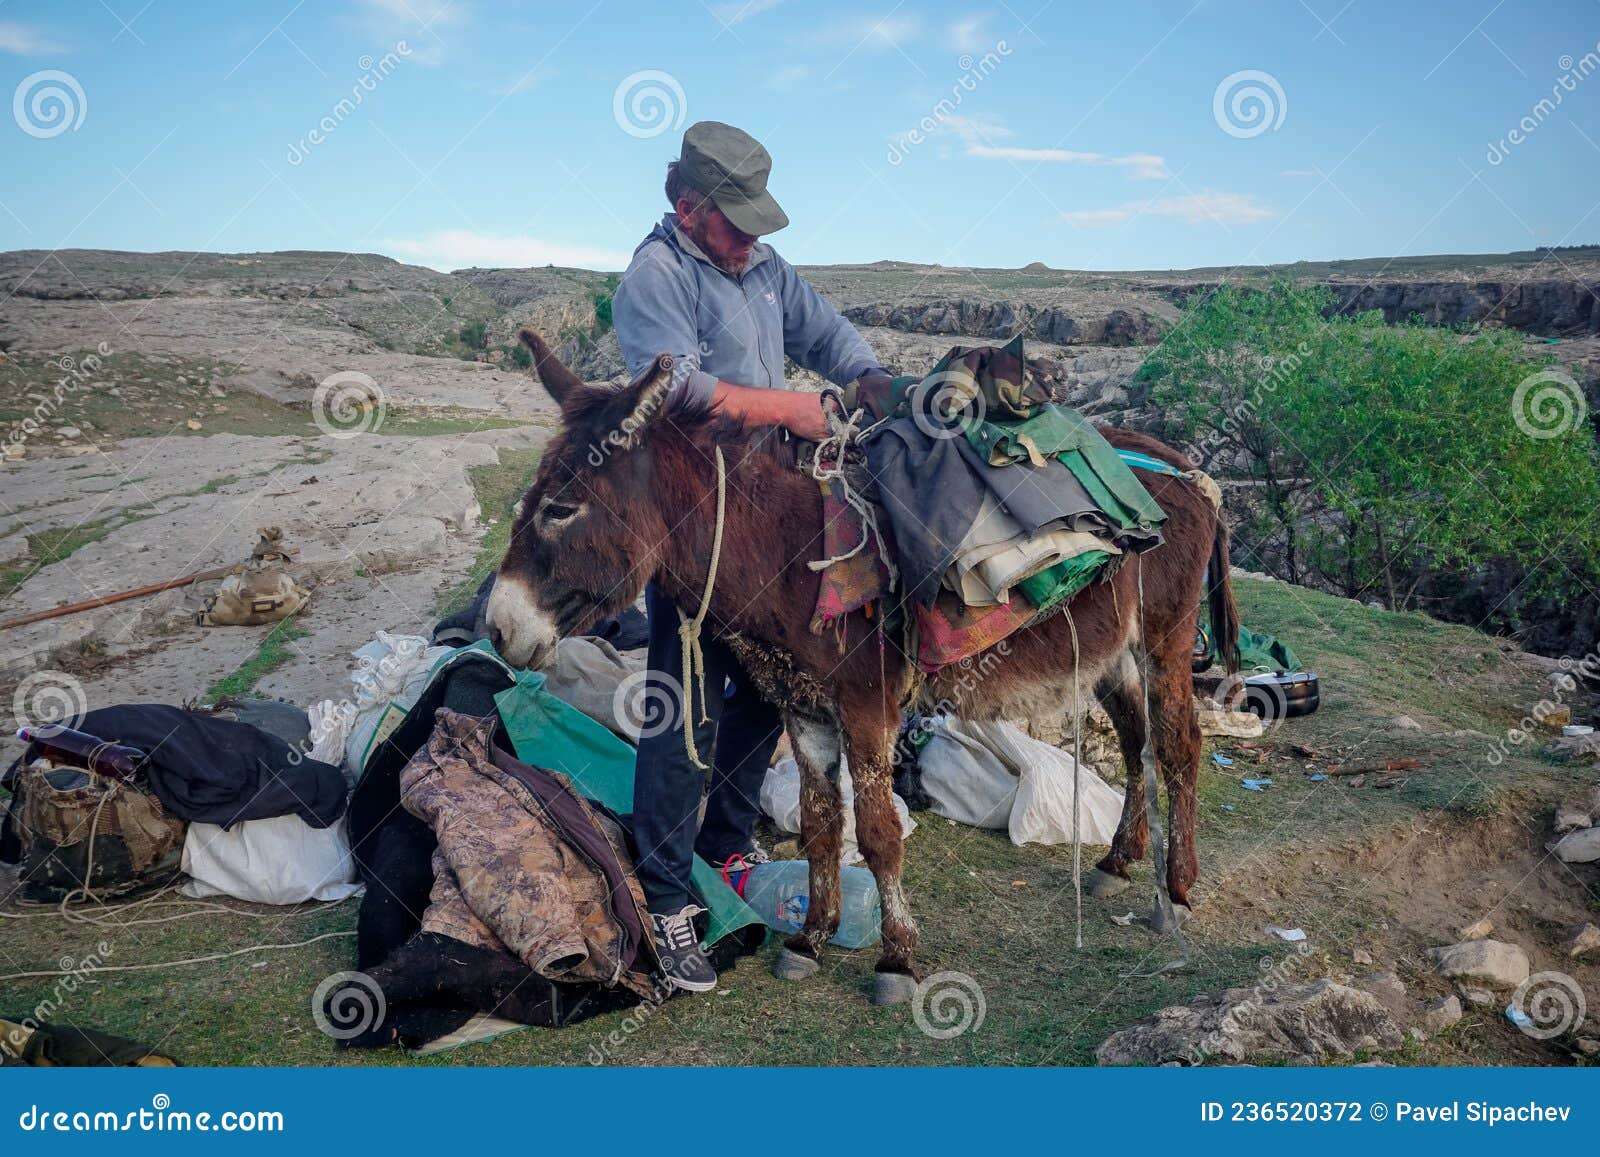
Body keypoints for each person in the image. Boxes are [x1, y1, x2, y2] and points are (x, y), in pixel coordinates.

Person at [611, 120, 886, 994]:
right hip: (695, 528)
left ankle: (722, 839)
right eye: (736, 221)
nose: (753, 237)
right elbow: (677, 387)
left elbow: (827, 332)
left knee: (774, 685)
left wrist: (868, 378)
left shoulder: (761, 267)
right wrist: (794, 410)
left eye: (757, 221)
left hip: (768, 519)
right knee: (682, 698)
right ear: (688, 209)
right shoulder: (654, 275)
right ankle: (662, 894)